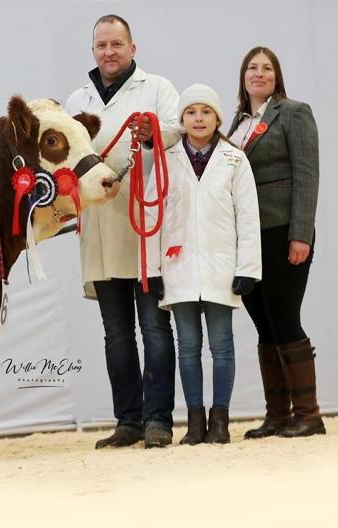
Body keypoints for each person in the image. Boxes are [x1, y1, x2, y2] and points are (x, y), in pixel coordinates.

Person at [65, 14, 181, 449]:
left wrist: (152, 134)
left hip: (145, 222)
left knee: (155, 328)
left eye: (117, 44)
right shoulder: (77, 99)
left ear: (133, 48)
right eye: (102, 45)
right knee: (116, 333)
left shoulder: (158, 88)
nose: (109, 52)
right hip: (99, 225)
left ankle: (159, 420)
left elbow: (178, 131)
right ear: (93, 50)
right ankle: (128, 420)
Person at [144, 84, 261, 445]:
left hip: (221, 268)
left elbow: (248, 217)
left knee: (222, 345)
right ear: (182, 119)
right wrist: (152, 269)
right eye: (191, 112)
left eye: (206, 112)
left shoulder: (234, 159)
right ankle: (195, 422)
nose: (198, 118)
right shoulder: (166, 160)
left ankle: (220, 421)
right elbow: (151, 216)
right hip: (177, 267)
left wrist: (248, 268)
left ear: (217, 118)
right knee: (188, 347)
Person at [226, 47, 325, 438]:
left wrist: (300, 234)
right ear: (243, 76)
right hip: (247, 238)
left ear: (277, 76)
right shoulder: (237, 123)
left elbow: (307, 175)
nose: (259, 73)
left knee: (284, 318)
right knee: (264, 324)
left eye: (267, 68)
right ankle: (278, 415)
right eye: (252, 67)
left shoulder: (293, 113)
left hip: (283, 231)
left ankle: (309, 415)